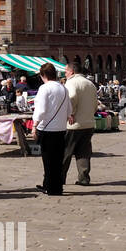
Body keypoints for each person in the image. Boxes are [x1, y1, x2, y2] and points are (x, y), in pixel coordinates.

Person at [32, 62, 70, 195]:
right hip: (60, 128)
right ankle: (57, 186)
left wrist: (34, 125)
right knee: (58, 160)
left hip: (47, 129)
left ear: (43, 75)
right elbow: (69, 110)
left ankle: (50, 187)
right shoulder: (64, 88)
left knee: (48, 160)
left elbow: (41, 110)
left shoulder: (44, 88)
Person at [62, 60, 96, 186]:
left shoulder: (71, 82)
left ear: (71, 71)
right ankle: (84, 177)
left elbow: (71, 97)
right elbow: (95, 104)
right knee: (84, 152)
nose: (64, 74)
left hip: (74, 124)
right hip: (88, 123)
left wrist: (70, 113)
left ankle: (60, 177)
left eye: (65, 71)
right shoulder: (90, 84)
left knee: (66, 152)